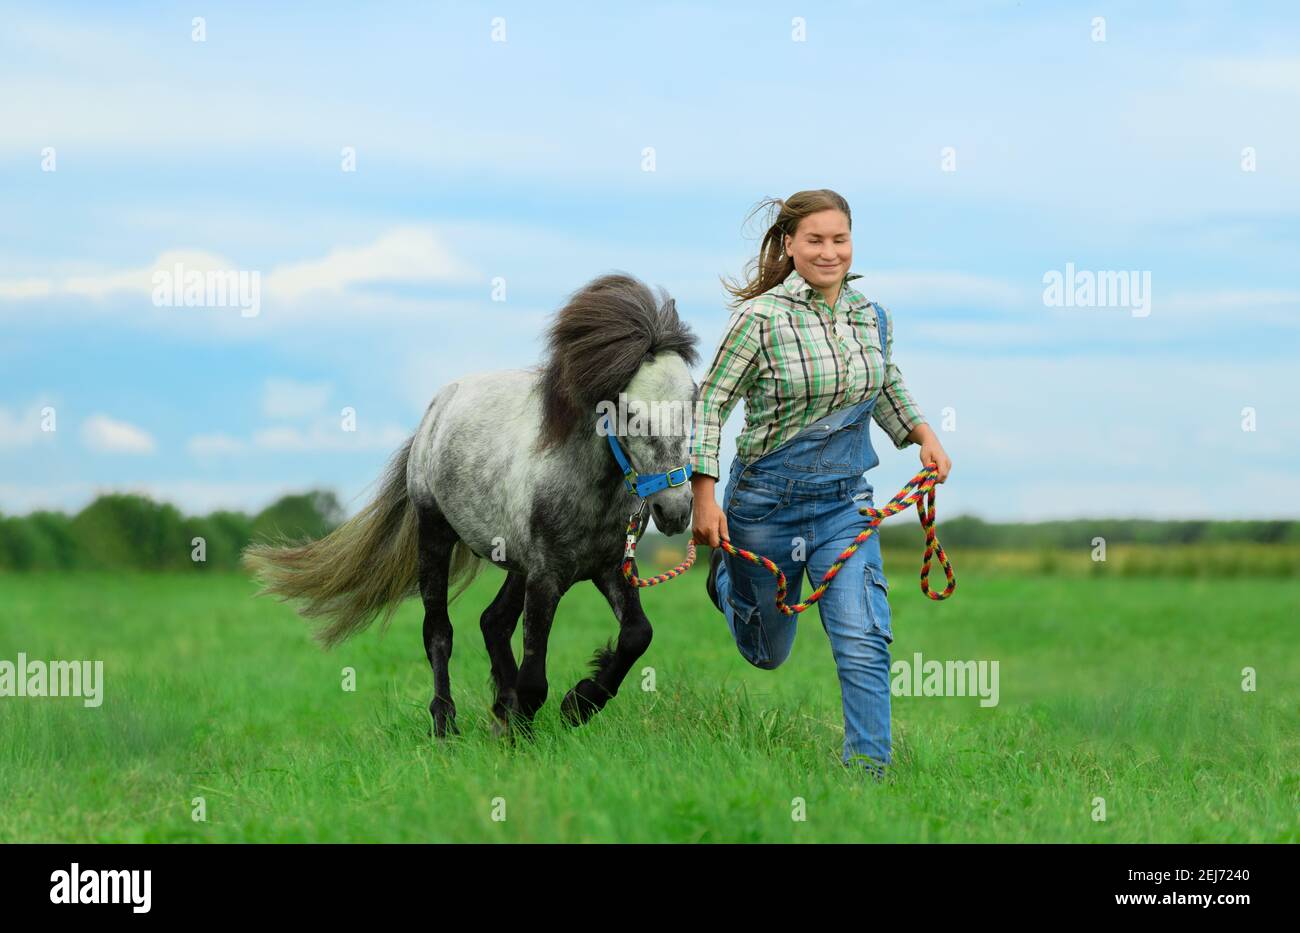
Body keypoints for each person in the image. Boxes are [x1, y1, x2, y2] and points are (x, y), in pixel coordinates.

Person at [689, 188, 952, 775]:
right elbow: (710, 406)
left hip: (844, 505)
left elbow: (885, 383)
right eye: (815, 240)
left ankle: (868, 778)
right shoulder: (759, 320)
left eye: (840, 239)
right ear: (789, 246)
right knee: (768, 654)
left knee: (863, 640)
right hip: (764, 507)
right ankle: (731, 587)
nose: (829, 252)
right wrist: (704, 498)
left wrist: (922, 434)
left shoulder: (872, 316)